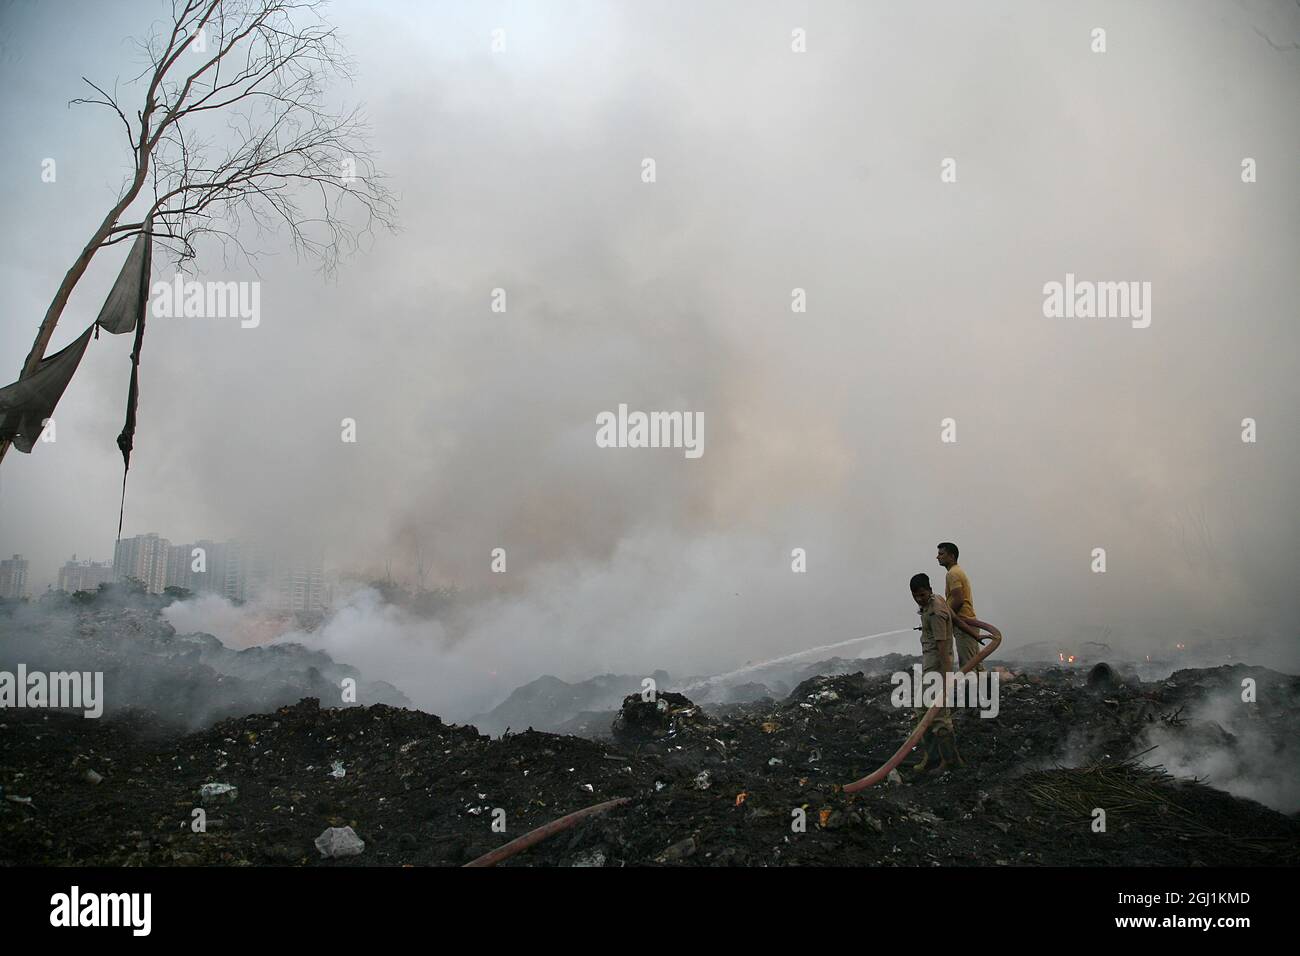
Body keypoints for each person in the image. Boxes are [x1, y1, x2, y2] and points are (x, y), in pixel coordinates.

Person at [907, 572, 963, 773]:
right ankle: (932, 757)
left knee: (938, 715)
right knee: (922, 710)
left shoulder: (935, 612)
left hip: (938, 668)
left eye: (922, 595)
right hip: (929, 666)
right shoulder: (934, 602)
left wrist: (947, 680)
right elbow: (955, 618)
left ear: (929, 590)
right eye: (915, 596)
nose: (919, 599)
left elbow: (943, 650)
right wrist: (973, 632)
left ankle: (950, 761)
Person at [937, 541, 981, 672]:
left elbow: (958, 599)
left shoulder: (953, 574)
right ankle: (985, 691)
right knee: (975, 662)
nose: (937, 557)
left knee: (968, 665)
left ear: (951, 556)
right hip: (967, 623)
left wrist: (945, 617)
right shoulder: (956, 572)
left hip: (964, 622)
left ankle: (973, 691)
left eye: (941, 554)